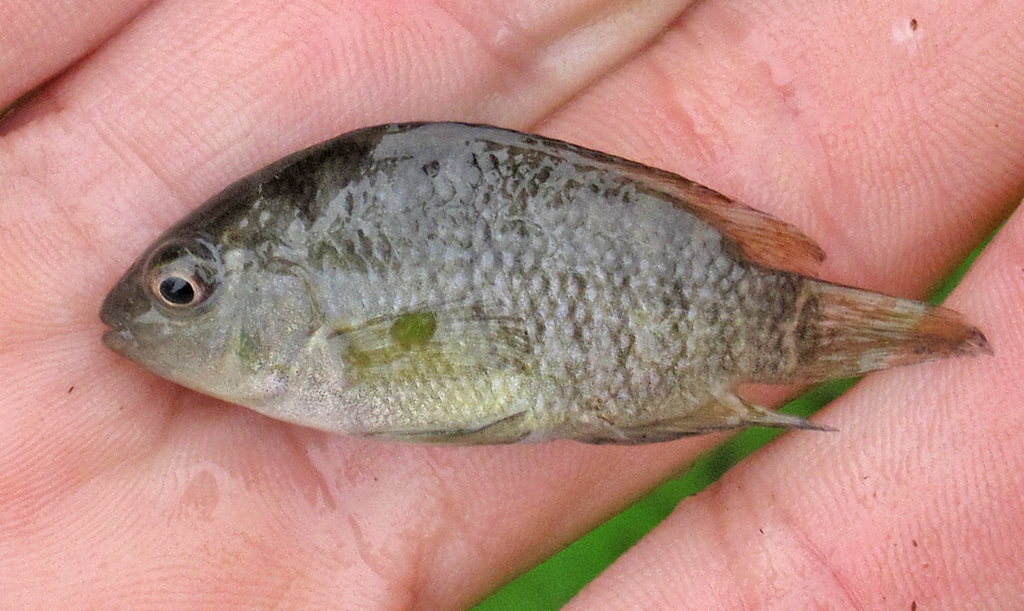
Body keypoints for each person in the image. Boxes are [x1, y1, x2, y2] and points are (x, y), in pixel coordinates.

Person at [1, 1, 1021, 608]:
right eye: (177, 289)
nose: (157, 311)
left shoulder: (318, 331)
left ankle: (858, 336)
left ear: (280, 288)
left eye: (184, 289)